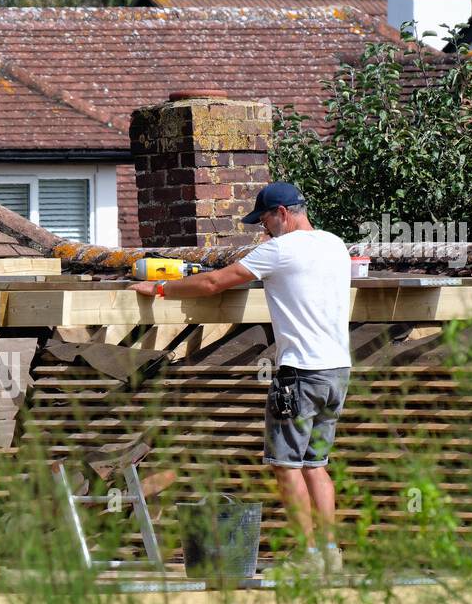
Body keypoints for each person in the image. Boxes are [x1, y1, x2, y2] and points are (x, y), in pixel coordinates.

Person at [128, 181, 351, 575]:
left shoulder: (279, 249)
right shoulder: (335, 244)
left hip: (299, 373)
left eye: (264, 220)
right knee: (316, 464)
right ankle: (330, 554)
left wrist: (160, 287)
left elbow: (214, 283)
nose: (262, 230)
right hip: (337, 371)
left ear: (282, 214)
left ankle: (308, 557)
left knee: (285, 465)